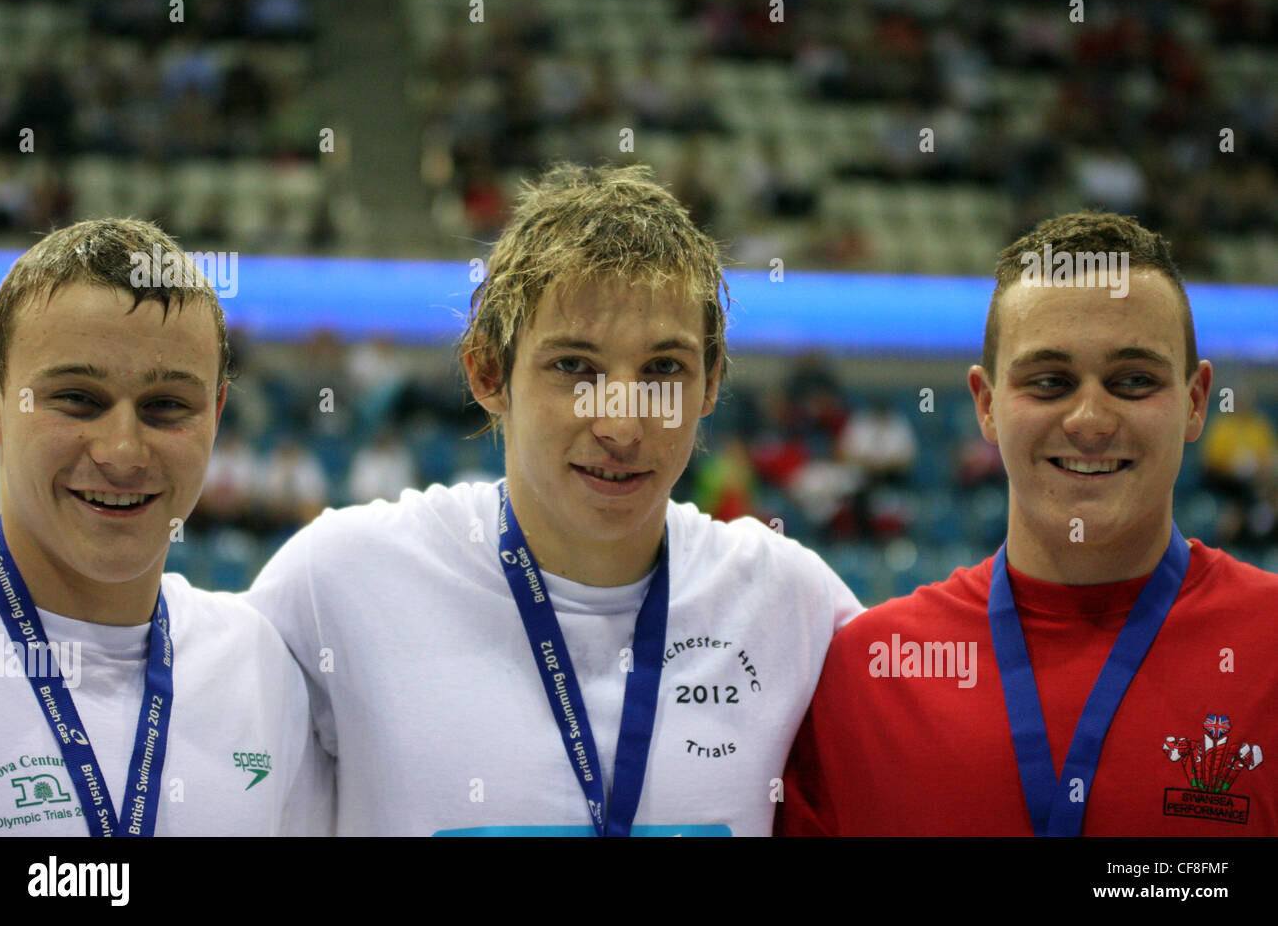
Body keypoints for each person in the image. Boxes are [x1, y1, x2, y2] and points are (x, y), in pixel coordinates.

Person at [246, 163, 864, 836]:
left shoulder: (794, 606)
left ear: (711, 384)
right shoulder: (336, 583)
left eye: (664, 369)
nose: (622, 425)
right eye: (574, 367)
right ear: (488, 372)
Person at [778, 211, 1278, 836]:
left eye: (1133, 380)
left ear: (1196, 401)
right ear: (986, 406)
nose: (1090, 420)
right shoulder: (870, 671)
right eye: (1049, 382)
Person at [0, 219, 333, 836]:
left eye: (167, 406)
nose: (122, 452)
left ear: (216, 414)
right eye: (77, 399)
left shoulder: (258, 665)